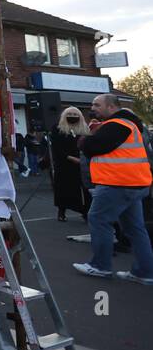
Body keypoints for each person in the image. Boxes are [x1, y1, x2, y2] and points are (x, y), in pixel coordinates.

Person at [73, 93, 153, 284]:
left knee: (98, 219)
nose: (93, 108)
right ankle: (145, 272)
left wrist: (87, 137)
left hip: (117, 183)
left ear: (111, 107)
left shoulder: (116, 125)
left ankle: (100, 266)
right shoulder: (130, 125)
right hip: (134, 183)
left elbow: (91, 146)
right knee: (135, 228)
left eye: (97, 105)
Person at [50, 107, 91, 222]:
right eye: (70, 114)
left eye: (75, 114)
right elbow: (56, 148)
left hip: (82, 163)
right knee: (63, 188)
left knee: (85, 189)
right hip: (64, 164)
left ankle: (85, 212)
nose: (72, 116)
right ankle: (61, 212)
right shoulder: (58, 128)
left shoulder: (84, 129)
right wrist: (70, 157)